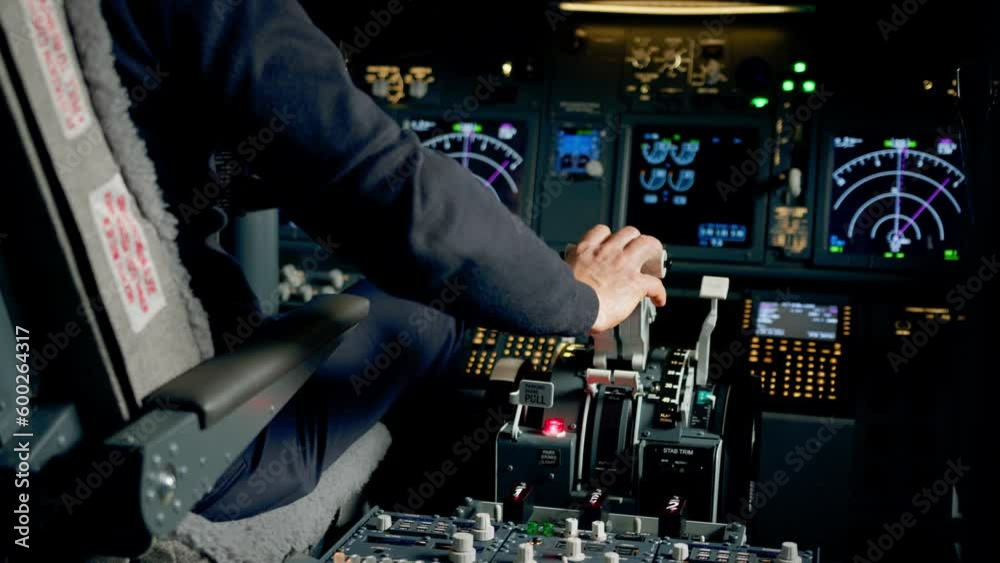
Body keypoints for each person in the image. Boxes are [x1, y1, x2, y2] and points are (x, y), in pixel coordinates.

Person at [100, 0, 667, 520]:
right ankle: (432, 500)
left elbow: (186, 161)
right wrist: (581, 295)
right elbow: (396, 196)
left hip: (79, 383)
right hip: (195, 439)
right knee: (442, 302)